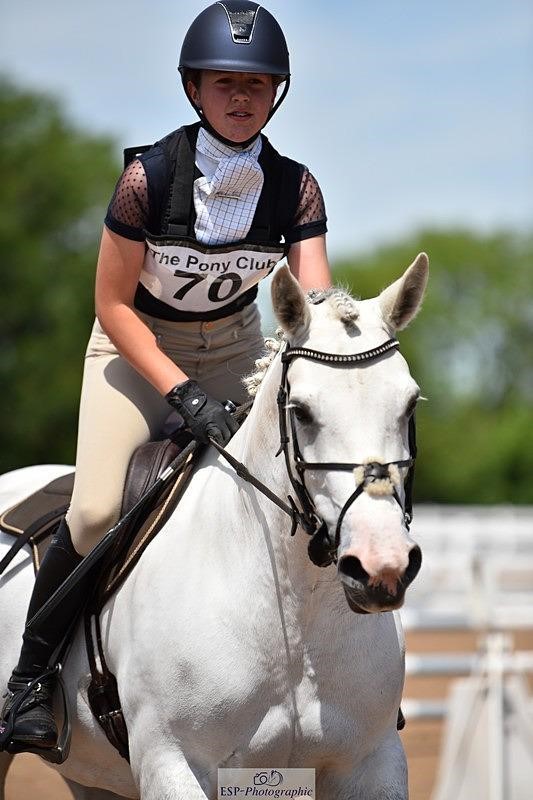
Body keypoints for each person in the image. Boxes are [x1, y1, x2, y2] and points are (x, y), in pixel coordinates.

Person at [0, 0, 331, 753]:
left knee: (304, 493)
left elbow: (310, 307)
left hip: (239, 345)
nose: (241, 97)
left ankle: (343, 682)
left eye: (257, 84)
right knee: (90, 517)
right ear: (193, 90)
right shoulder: (148, 178)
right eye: (224, 83)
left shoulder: (296, 187)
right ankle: (29, 682)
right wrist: (180, 393)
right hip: (132, 347)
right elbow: (112, 305)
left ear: (277, 90)